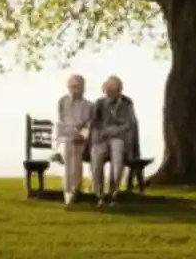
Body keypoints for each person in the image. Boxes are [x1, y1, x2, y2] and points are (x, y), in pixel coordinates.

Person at [91, 75, 137, 206]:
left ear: (119, 90)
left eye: (113, 90)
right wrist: (97, 136)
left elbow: (128, 124)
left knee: (117, 160)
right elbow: (93, 123)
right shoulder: (99, 103)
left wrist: (110, 131)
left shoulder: (127, 104)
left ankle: (113, 193)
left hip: (119, 138)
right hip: (102, 139)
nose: (109, 93)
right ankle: (99, 194)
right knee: (96, 157)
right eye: (107, 90)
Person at [54, 73, 94, 206]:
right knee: (68, 150)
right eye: (73, 87)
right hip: (65, 137)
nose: (75, 90)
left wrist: (82, 136)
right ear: (68, 87)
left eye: (78, 87)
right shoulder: (62, 102)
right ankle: (68, 190)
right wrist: (65, 136)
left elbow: (89, 124)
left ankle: (74, 189)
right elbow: (60, 122)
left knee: (76, 155)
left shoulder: (89, 105)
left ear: (84, 88)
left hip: (81, 137)